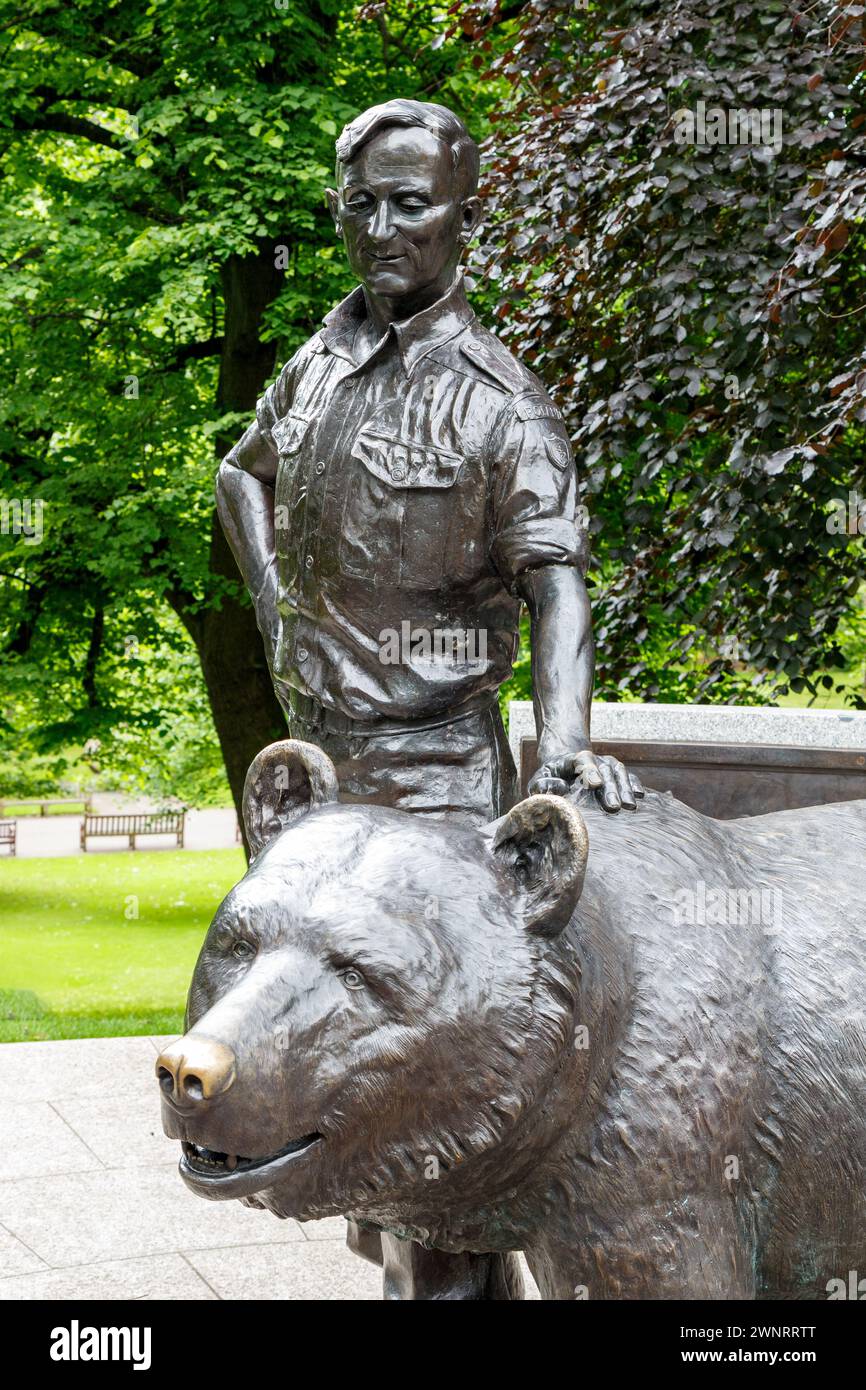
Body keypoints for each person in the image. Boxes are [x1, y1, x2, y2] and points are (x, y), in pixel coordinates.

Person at [216, 98, 642, 1299]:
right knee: (342, 1107)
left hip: (438, 787)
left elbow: (557, 591)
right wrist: (272, 605)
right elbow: (236, 474)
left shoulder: (500, 403)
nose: (380, 226)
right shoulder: (314, 362)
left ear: (462, 215)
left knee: (430, 1102)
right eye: (359, 202)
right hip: (324, 786)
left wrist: (557, 766)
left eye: (410, 203)